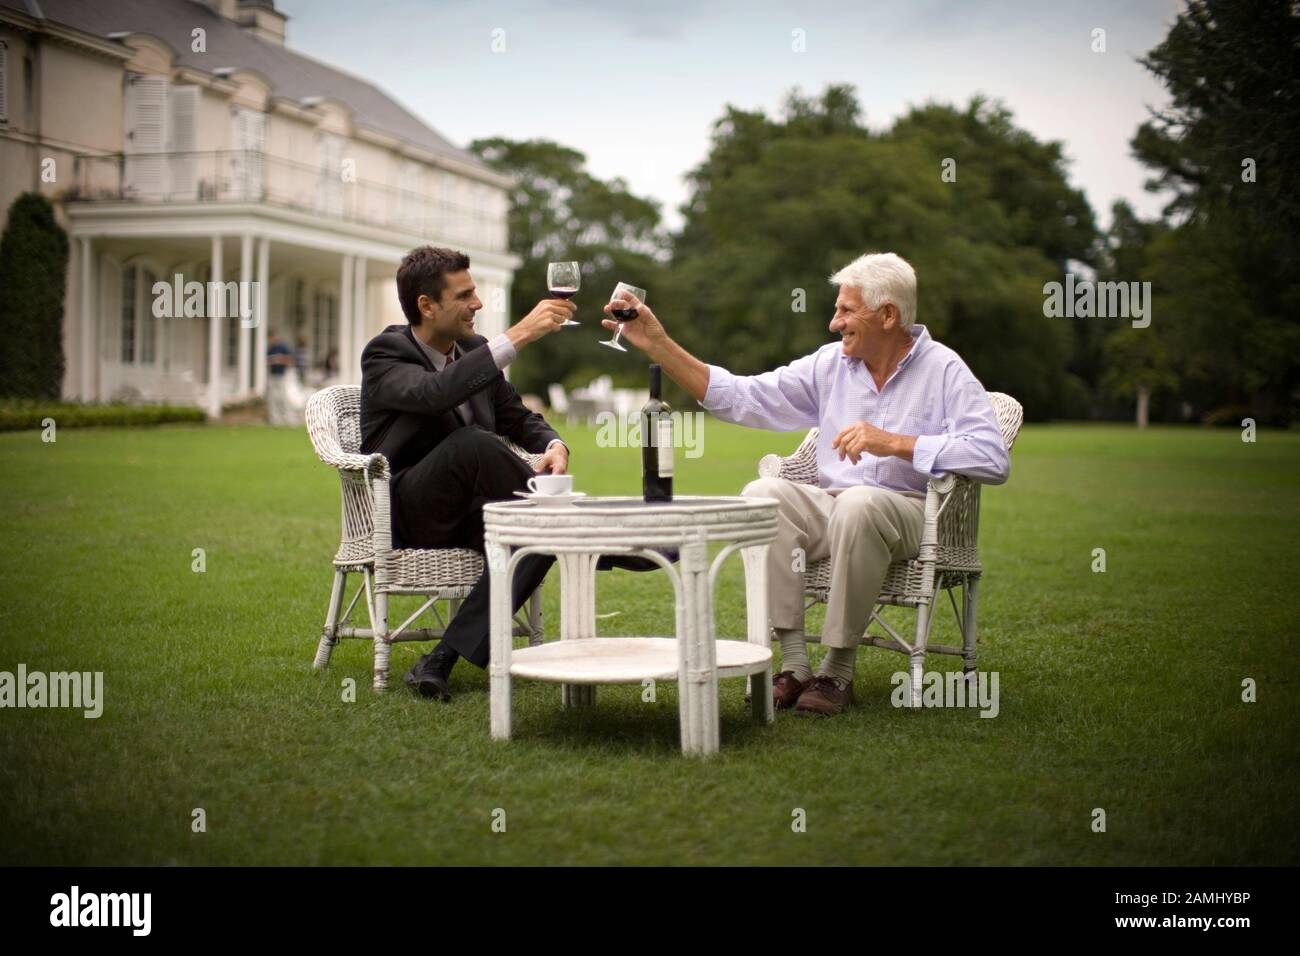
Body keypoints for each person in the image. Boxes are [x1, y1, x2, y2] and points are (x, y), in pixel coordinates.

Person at [600, 252, 1010, 716]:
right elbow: (741, 397)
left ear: (887, 315)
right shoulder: (829, 365)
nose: (834, 323)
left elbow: (991, 457)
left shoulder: (944, 369)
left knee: (860, 504)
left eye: (846, 310)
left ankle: (837, 672)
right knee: (762, 496)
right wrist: (657, 344)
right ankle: (794, 665)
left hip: (910, 512)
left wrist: (895, 442)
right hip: (833, 506)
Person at [361, 246, 661, 701]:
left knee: (537, 532)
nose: (477, 304)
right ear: (427, 305)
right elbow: (434, 394)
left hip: (474, 510)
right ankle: (592, 536)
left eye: (475, 293)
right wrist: (518, 335)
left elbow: (517, 417)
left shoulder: (473, 350)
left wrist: (554, 444)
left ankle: (440, 659)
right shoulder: (386, 353)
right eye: (464, 296)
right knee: (473, 443)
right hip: (409, 511)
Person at [266, 332, 294, 425]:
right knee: (272, 398)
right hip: (272, 375)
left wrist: (280, 359)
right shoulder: (270, 348)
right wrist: (273, 360)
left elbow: (290, 360)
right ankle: (275, 419)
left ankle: (288, 417)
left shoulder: (283, 347)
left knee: (283, 397)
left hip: (281, 375)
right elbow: (267, 360)